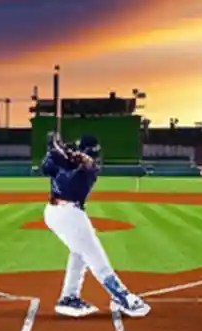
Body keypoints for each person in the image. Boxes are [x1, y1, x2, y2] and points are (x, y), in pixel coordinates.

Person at [41, 133, 150, 318]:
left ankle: (69, 296)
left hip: (66, 214)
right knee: (96, 257)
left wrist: (63, 153)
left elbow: (81, 167)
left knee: (79, 254)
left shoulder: (89, 170)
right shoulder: (66, 161)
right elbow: (46, 168)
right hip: (65, 214)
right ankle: (122, 297)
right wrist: (53, 152)